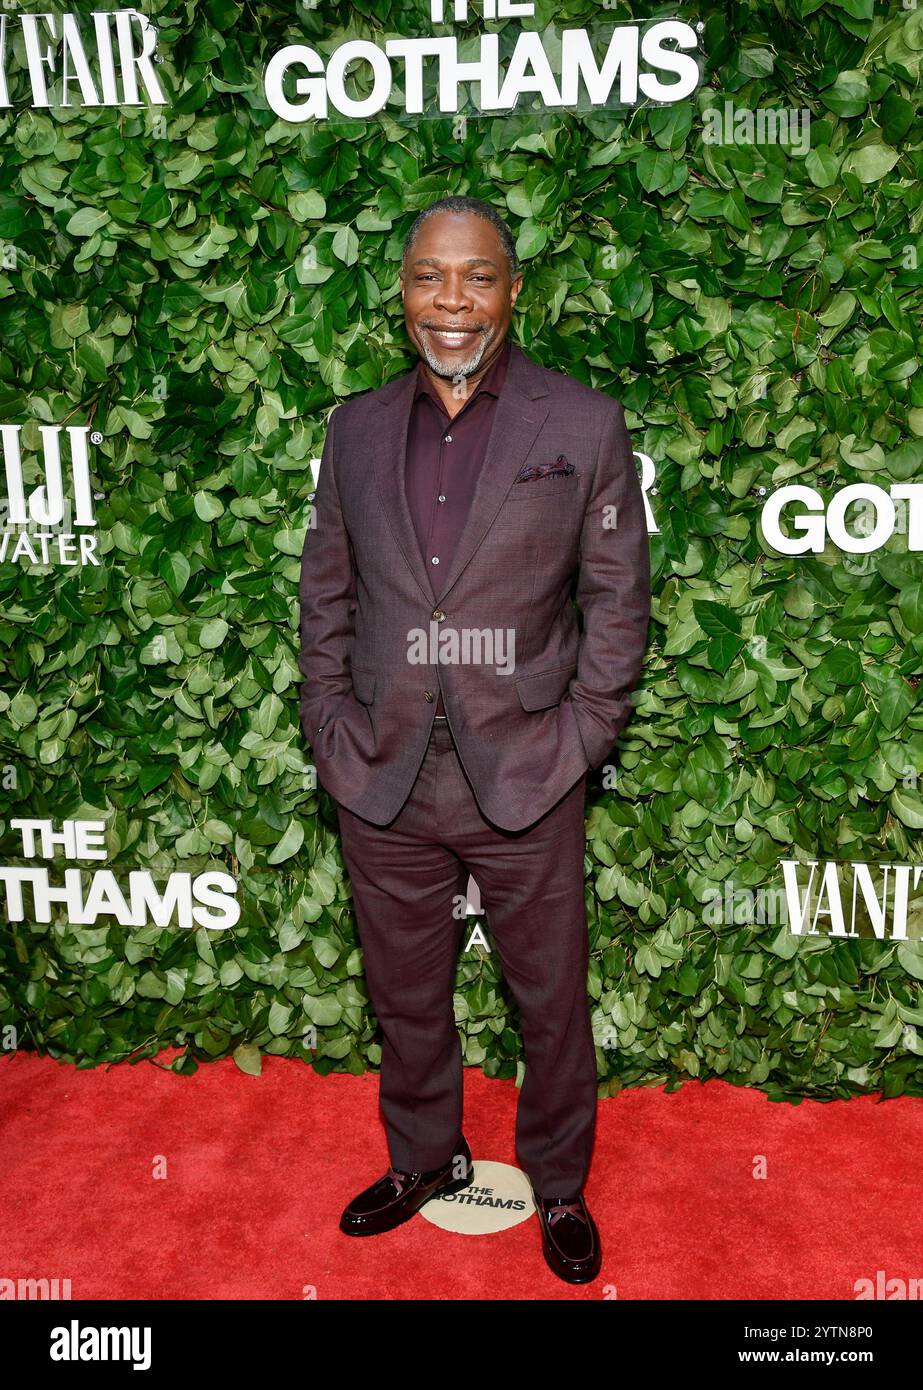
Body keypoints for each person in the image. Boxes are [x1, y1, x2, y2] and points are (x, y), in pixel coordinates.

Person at [298, 194, 651, 1284]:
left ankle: (555, 1184)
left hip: (525, 771)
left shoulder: (580, 425)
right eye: (427, 277)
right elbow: (327, 593)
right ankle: (424, 1156)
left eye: (476, 276)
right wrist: (329, 724)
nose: (450, 301)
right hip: (382, 772)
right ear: (400, 289)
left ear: (512, 288)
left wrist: (579, 739)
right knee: (403, 994)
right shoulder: (352, 427)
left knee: (549, 1001)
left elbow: (617, 602)